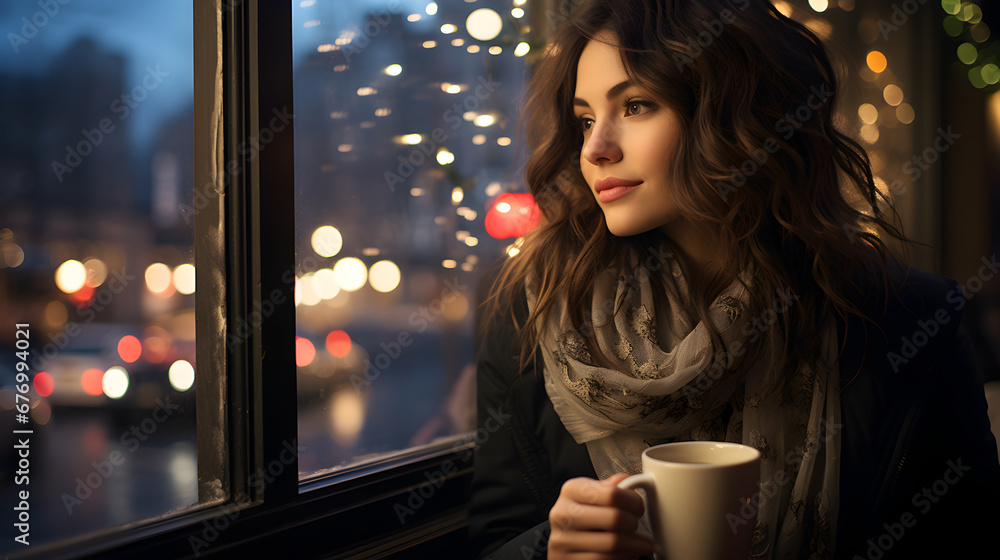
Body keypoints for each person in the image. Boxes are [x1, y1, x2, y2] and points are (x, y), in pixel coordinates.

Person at [465, 0, 1000, 558]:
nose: (595, 150)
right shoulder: (539, 310)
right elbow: (494, 541)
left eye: (637, 105)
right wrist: (552, 548)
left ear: (735, 114)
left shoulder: (907, 318)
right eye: (585, 119)